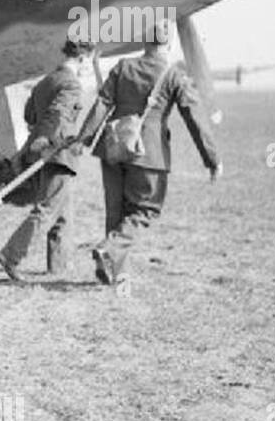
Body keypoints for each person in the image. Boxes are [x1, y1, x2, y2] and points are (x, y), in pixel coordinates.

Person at [81, 30, 221, 285]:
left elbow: (102, 102)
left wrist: (85, 138)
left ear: (145, 41)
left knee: (116, 211)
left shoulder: (123, 66)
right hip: (149, 153)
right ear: (168, 43)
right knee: (144, 210)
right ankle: (108, 253)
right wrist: (211, 159)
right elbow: (194, 117)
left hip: (113, 147)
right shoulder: (173, 74)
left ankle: (114, 272)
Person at [0, 38, 95, 283]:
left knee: (63, 211)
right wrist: (46, 139)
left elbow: (29, 113)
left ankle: (58, 266)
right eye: (89, 63)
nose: (88, 68)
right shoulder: (71, 84)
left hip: (42, 153)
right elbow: (58, 113)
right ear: (82, 58)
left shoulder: (45, 81)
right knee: (48, 210)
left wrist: (38, 139)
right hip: (56, 153)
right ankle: (11, 256)